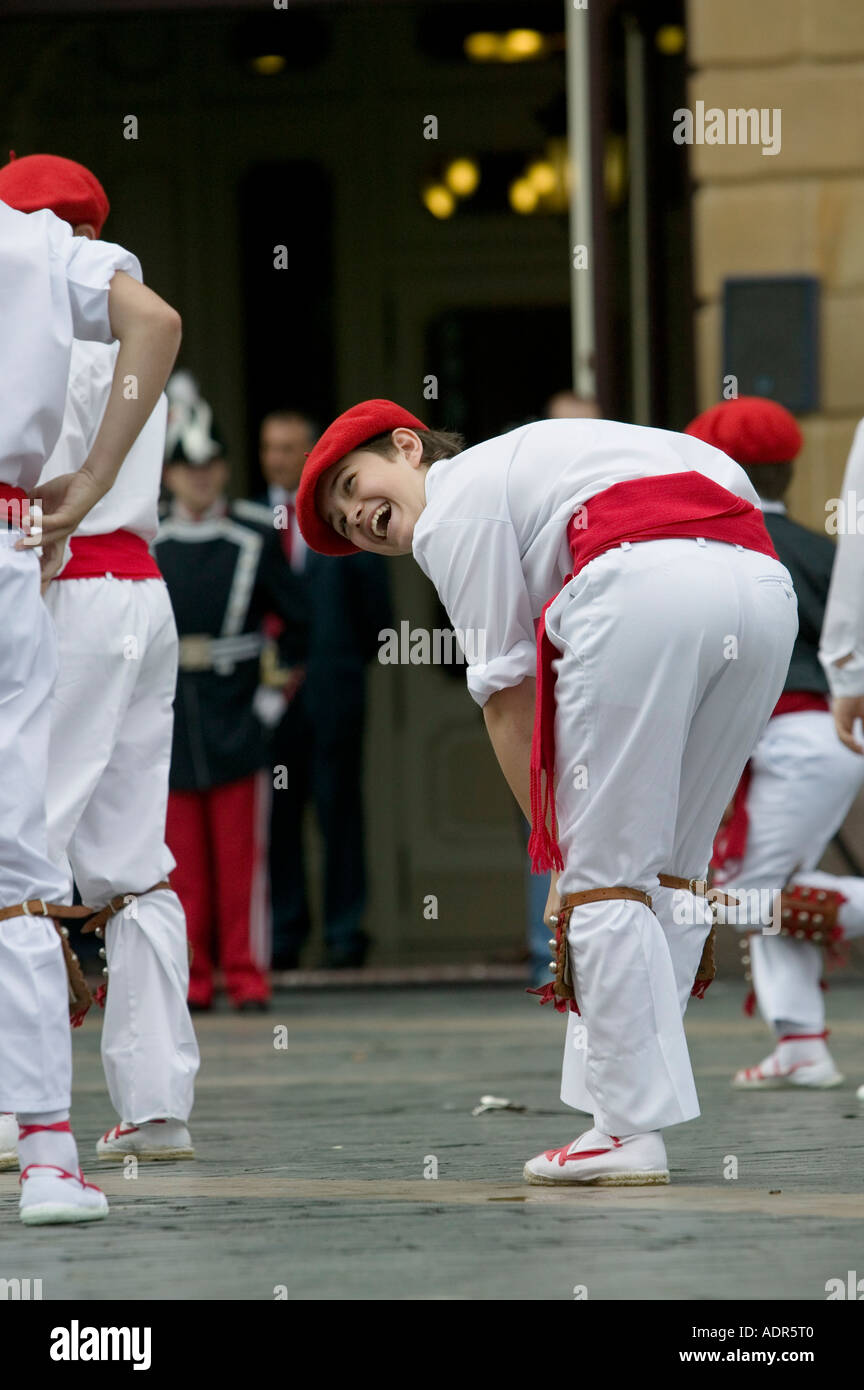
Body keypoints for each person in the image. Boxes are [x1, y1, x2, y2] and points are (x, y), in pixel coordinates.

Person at [295, 398, 797, 1186]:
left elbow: (504, 696)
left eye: (354, 488)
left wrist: (558, 847)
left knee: (602, 875)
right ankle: (630, 1108)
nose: (358, 519)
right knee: (671, 867)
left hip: (644, 586)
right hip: (762, 591)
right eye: (346, 524)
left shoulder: (451, 507)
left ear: (407, 446)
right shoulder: (554, 450)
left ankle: (626, 1130)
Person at [0, 153, 200, 1164]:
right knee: (133, 859)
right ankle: (158, 1100)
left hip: (62, 582)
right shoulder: (128, 316)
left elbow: (42, 495)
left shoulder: (39, 315)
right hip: (143, 594)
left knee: (19, 840)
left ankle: (9, 1105)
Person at [686, 397, 864, 1089]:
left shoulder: (720, 550)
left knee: (742, 895)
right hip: (832, 733)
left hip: (785, 739)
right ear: (788, 469)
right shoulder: (826, 550)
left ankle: (801, 1045)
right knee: (768, 892)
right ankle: (802, 1045)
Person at [155, 378, 306, 1010]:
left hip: (236, 717)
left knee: (243, 865)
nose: (200, 477)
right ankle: (192, 980)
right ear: (167, 475)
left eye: (209, 465)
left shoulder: (251, 533)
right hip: (168, 724)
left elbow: (298, 626)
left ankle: (246, 977)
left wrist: (269, 706)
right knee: (179, 866)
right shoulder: (149, 538)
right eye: (187, 468)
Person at [257, 411, 391, 969]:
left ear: (312, 453)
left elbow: (375, 617)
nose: (278, 458)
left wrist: (336, 667)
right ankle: (284, 934)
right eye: (270, 447)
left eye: (290, 448)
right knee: (278, 814)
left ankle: (343, 933)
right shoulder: (249, 521)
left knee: (340, 812)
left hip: (334, 691)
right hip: (268, 698)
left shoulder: (342, 519)